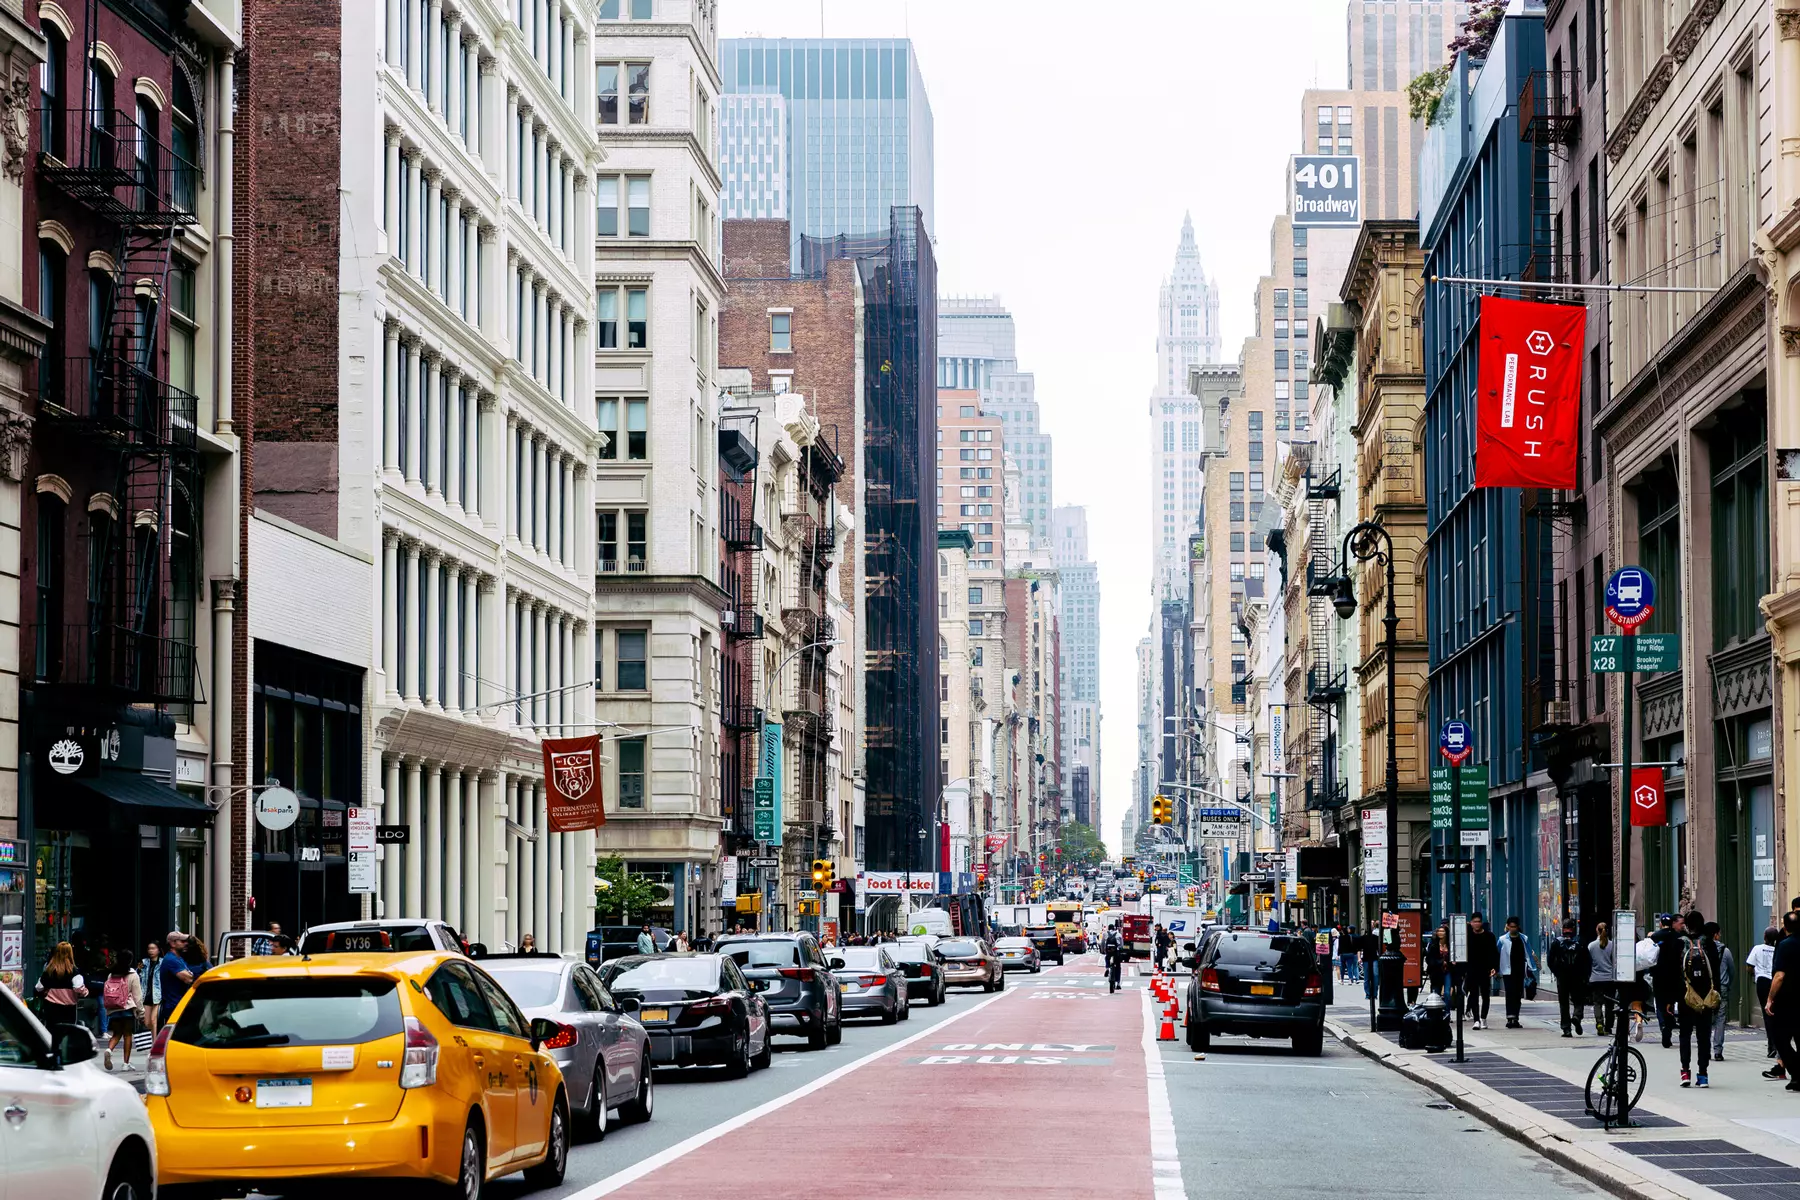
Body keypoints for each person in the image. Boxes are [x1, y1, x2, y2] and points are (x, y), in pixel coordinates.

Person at [1674, 909, 1720, 1088]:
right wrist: (1715, 993)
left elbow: (1673, 973)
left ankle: (1685, 1072)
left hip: (1685, 997)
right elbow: (1715, 971)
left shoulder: (1679, 943)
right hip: (1705, 997)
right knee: (1703, 1035)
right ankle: (1703, 1075)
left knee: (1685, 1035)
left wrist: (1672, 999)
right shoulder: (1708, 943)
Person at [1765, 913, 1800, 1090]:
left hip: (1788, 999)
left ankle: (1797, 1072)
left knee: (1780, 1038)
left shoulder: (1786, 945)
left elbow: (1779, 976)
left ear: (1785, 928)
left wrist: (1770, 998)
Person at [100, 952, 143, 1071]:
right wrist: (141, 1013)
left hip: (113, 1008)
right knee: (128, 1035)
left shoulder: (111, 974)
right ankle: (126, 1064)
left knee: (116, 1034)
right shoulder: (133, 974)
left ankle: (109, 1050)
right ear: (130, 960)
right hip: (127, 1008)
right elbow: (137, 996)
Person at [1653, 914, 1688, 1048]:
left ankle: (1664, 1029)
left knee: (1661, 1004)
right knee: (1672, 1003)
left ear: (1661, 923)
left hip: (1659, 976)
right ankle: (1671, 1024)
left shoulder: (1655, 936)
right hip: (1674, 976)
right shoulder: (1678, 938)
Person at [1548, 918, 1588, 1037]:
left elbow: (1550, 960)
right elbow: (1586, 961)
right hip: (1577, 976)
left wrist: (1556, 972)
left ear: (1563, 928)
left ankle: (1566, 1028)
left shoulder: (1557, 942)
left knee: (1564, 1003)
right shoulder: (1579, 942)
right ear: (1573, 928)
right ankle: (1577, 1016)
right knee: (1578, 1000)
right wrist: (1585, 975)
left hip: (1562, 976)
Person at [1748, 928, 1780, 1071]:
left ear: (1764, 936)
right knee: (1775, 1012)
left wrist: (1753, 974)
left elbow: (1749, 966)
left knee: (1765, 1011)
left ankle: (1771, 1045)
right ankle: (1776, 1044)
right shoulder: (1778, 950)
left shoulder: (1758, 948)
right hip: (1774, 982)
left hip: (1762, 981)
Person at [1496, 916, 1536, 1029]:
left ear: (1518, 927)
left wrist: (1531, 969)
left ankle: (1516, 1018)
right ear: (1507, 926)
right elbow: (1497, 954)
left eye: (1515, 926)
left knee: (1518, 994)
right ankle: (1510, 1018)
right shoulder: (1502, 939)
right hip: (1507, 970)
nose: (1513, 929)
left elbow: (1528, 954)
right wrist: (1497, 970)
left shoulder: (1524, 938)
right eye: (1511, 926)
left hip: (1519, 970)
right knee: (1509, 993)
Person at [34, 941, 86, 1027]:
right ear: (70, 953)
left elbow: (38, 987)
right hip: (69, 1008)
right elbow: (78, 987)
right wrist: (85, 991)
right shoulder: (73, 971)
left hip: (51, 1007)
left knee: (52, 1033)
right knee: (68, 1032)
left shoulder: (48, 971)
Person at [157, 931, 201, 1026]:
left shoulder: (178, 958)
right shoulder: (171, 960)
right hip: (174, 1007)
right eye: (182, 941)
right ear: (172, 943)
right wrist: (192, 975)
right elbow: (189, 979)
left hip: (179, 1006)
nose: (186, 943)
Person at [1464, 912, 1498, 1029]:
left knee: (1485, 994)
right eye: (1474, 922)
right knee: (1473, 995)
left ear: (1481, 922)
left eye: (1478, 921)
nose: (1477, 924)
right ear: (1471, 923)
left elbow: (1494, 953)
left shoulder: (1489, 936)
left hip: (1485, 969)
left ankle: (1483, 1018)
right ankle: (1476, 1019)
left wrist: (1494, 967)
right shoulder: (1468, 936)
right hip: (1472, 969)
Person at [1706, 922, 1735, 1061]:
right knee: (1720, 1019)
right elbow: (1732, 970)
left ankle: (1705, 1049)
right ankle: (1717, 1050)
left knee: (1705, 1019)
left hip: (1705, 989)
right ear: (1716, 934)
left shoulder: (1701, 949)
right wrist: (1728, 983)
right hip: (1721, 988)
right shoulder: (1725, 950)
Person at [1587, 922, 1616, 1037]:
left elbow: (1589, 963)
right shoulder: (1612, 945)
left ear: (1597, 931)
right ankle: (1608, 1027)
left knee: (1597, 1003)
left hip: (1595, 979)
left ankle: (1599, 1023)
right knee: (1610, 1004)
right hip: (1609, 979)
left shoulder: (1591, 946)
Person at [1633, 924, 1660, 1042]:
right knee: (1637, 1006)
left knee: (1629, 1006)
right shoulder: (1647, 950)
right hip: (1640, 981)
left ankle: (1630, 1028)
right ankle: (1639, 1021)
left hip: (1629, 980)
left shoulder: (1634, 947)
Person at [138, 941, 163, 1034]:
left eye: (153, 948)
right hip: (146, 994)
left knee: (153, 1020)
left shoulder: (162, 962)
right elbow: (138, 976)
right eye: (149, 948)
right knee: (147, 1022)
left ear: (158, 950)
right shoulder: (144, 962)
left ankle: (154, 1044)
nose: (151, 951)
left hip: (157, 995)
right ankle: (153, 1042)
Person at [1425, 924, 1450, 999]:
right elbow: (1429, 959)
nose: (1441, 933)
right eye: (1439, 931)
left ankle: (1447, 1010)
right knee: (1436, 993)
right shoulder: (1433, 945)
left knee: (1447, 993)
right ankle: (1437, 1010)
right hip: (1436, 972)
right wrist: (1441, 962)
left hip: (1447, 971)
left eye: (1443, 931)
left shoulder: (1450, 944)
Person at [1101, 922, 1125, 993]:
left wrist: (1103, 951)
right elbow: (1121, 945)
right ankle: (1118, 983)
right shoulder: (1119, 935)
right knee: (1118, 966)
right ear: (1114, 928)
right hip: (1116, 953)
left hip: (1108, 952)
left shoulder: (1105, 934)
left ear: (1108, 928)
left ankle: (1107, 968)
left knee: (1107, 958)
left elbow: (1102, 943)